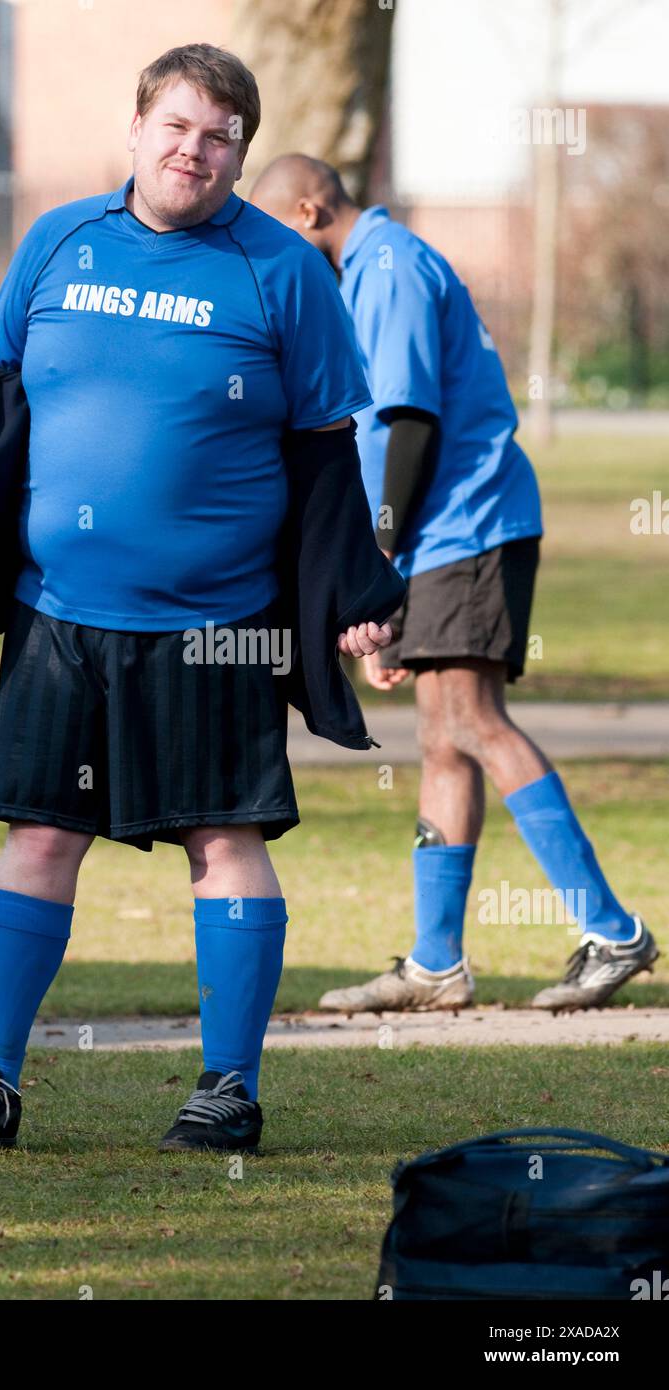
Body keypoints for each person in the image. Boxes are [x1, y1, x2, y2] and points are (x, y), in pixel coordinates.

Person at [0, 48, 393, 1156]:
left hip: (215, 624)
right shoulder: (58, 242)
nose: (195, 148)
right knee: (38, 837)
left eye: (220, 134)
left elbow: (329, 456)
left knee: (222, 839)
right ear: (137, 128)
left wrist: (354, 594)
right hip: (59, 614)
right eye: (177, 125)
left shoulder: (284, 271)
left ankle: (225, 1090)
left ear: (239, 152)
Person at [251, 154, 658, 1014]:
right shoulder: (373, 267)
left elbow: (408, 422)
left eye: (275, 230)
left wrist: (382, 568)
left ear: (307, 207)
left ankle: (613, 931)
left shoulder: (388, 267)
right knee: (440, 739)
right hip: (443, 533)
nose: (271, 253)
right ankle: (436, 964)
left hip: (464, 527)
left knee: (472, 721)